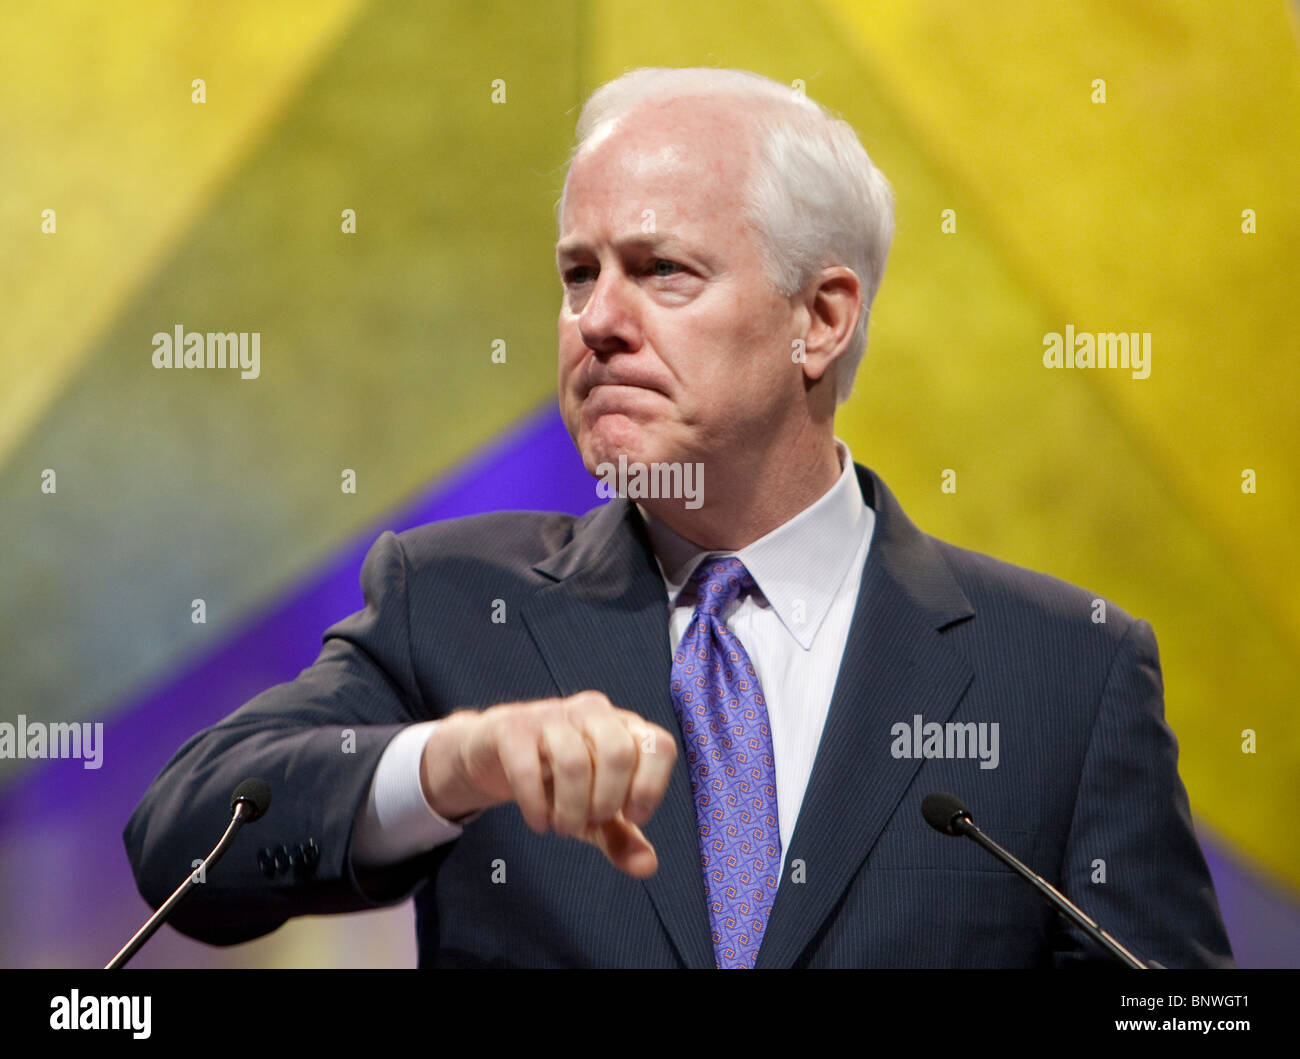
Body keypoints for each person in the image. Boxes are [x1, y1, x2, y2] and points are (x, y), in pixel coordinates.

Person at [124, 66, 1233, 969]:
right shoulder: (457, 606)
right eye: (575, 274)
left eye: (660, 271)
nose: (595, 321)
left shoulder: (1063, 673)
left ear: (820, 319)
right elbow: (184, 842)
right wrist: (455, 762)